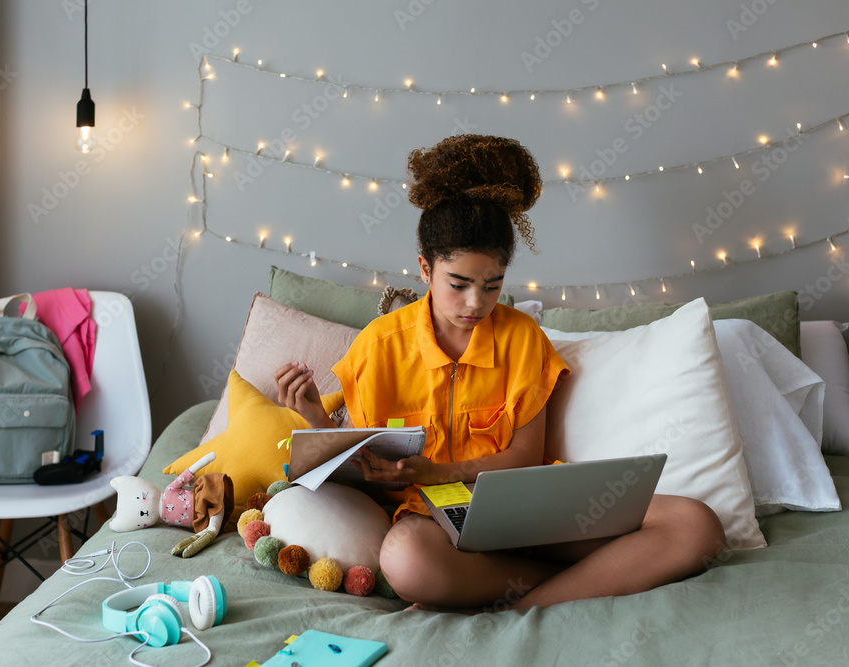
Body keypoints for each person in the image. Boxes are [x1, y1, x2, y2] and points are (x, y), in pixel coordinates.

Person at [274, 134, 724, 612]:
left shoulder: (523, 337)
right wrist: (315, 420)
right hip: (438, 526)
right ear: (425, 269)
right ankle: (571, 583)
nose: (476, 303)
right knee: (406, 559)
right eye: (459, 284)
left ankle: (520, 602)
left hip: (530, 513)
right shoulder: (378, 347)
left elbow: (526, 455)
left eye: (492, 285)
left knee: (696, 524)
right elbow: (364, 473)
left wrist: (443, 471)